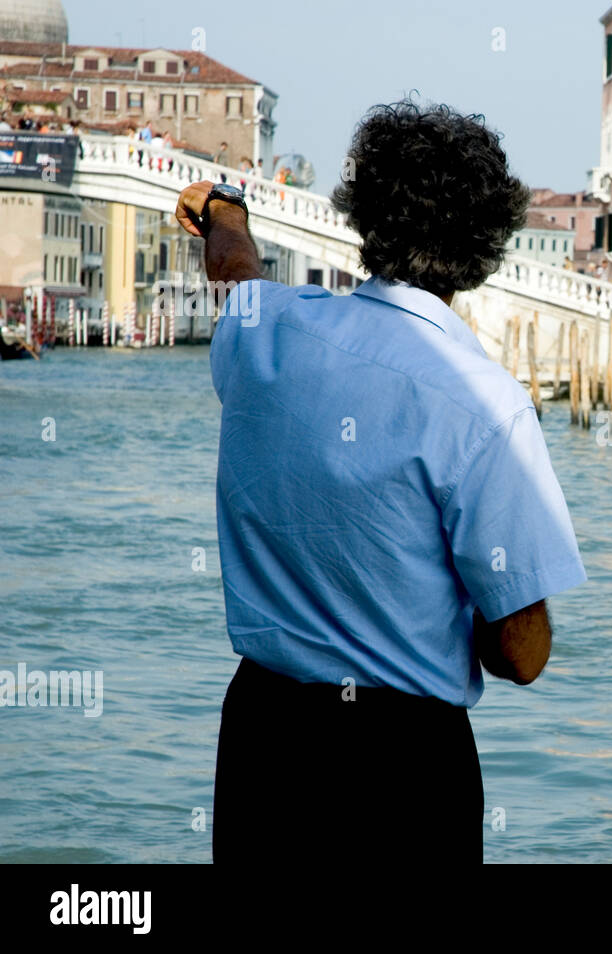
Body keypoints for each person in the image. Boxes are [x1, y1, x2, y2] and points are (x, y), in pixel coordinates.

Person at [174, 99, 585, 866]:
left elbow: (234, 266)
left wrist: (226, 210)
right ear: (485, 244)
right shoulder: (486, 406)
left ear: (363, 220)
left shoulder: (264, 329)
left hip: (265, 738)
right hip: (404, 767)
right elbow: (521, 654)